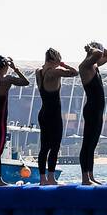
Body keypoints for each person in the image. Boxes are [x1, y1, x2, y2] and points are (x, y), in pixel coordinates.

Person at [0, 55, 28, 186]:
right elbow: (26, 82)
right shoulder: (7, 79)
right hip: (0, 120)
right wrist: (16, 69)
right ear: (6, 67)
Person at [36, 48, 78, 185]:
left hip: (43, 112)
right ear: (54, 59)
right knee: (55, 146)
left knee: (44, 147)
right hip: (53, 114)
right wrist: (64, 65)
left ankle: (42, 179)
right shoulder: (54, 72)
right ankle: (51, 178)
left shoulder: (39, 72)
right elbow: (75, 72)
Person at [77, 42, 107, 185]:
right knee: (87, 143)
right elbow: (98, 54)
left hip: (98, 110)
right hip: (91, 109)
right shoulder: (84, 66)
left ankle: (91, 176)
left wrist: (99, 46)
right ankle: (85, 178)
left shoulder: (95, 66)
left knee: (93, 144)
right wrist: (92, 49)